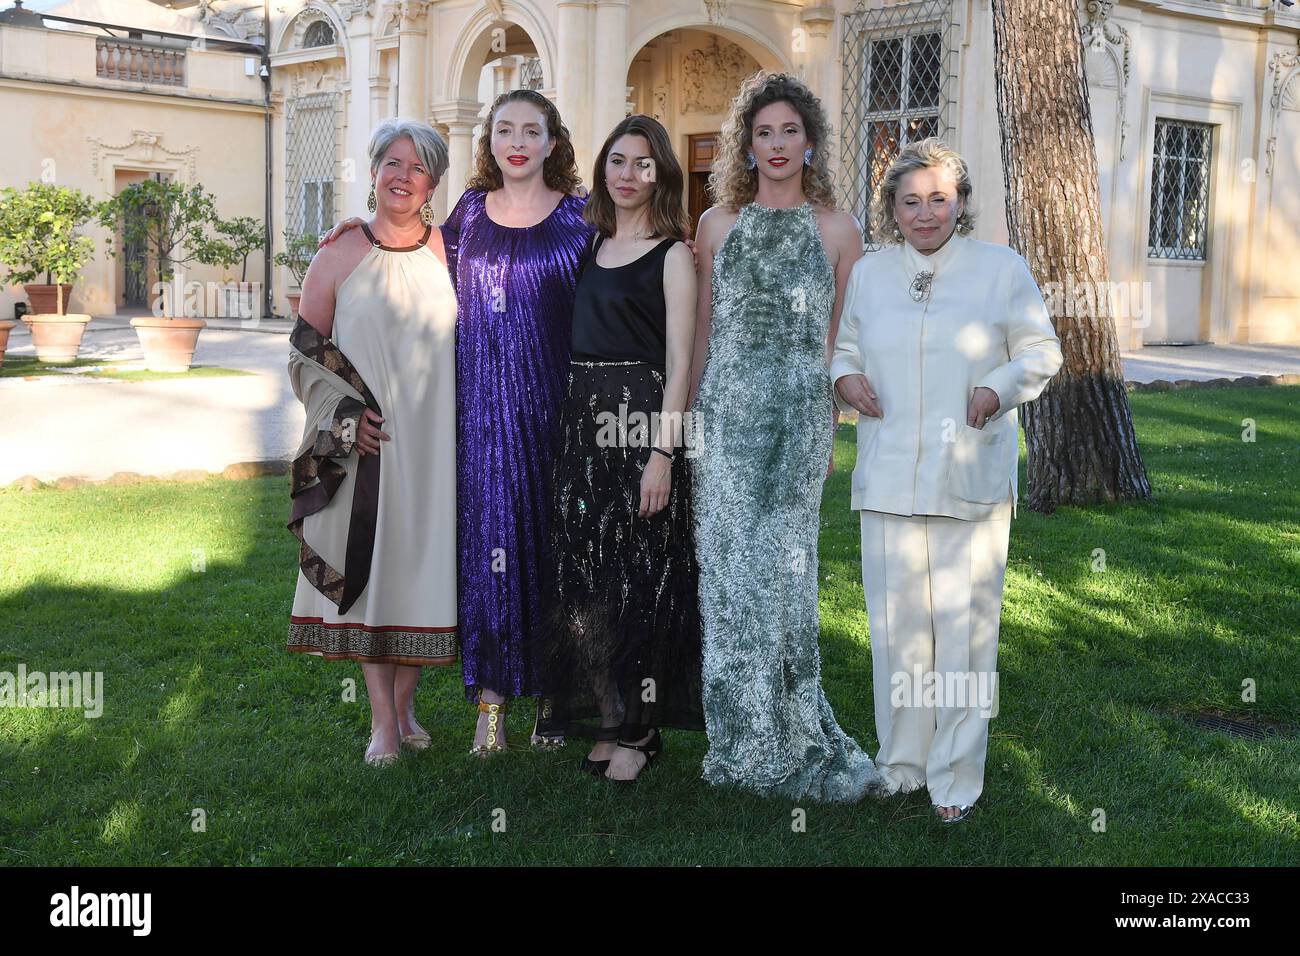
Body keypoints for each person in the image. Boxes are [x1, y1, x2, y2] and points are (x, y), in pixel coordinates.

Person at [830, 137, 1062, 823]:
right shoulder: (872, 275)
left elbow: (1041, 350)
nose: (925, 213)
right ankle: (902, 765)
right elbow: (845, 347)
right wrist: (844, 378)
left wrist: (996, 387)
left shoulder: (999, 268)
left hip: (970, 480)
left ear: (959, 202)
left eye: (938, 199)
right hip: (889, 479)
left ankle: (955, 780)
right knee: (898, 630)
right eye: (910, 202)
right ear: (891, 209)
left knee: (962, 635)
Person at [688, 71, 886, 802]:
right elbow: (705, 330)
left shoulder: (838, 229)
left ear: (811, 144)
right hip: (726, 422)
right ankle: (738, 744)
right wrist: (686, 419)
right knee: (729, 583)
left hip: (797, 424)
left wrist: (832, 425)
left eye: (789, 132)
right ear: (746, 144)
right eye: (763, 132)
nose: (776, 145)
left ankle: (797, 729)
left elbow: (843, 344)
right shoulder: (717, 225)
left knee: (785, 581)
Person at [286, 119, 457, 767]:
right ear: (374, 169)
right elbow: (305, 352)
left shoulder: (453, 250)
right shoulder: (338, 253)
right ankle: (383, 724)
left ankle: (408, 706)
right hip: (365, 446)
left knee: (422, 574)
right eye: (391, 162)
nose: (402, 177)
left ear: (433, 182)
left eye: (417, 168)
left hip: (438, 448)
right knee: (373, 580)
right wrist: (343, 419)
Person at [543, 115, 703, 782]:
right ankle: (609, 717)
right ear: (603, 169)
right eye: (618, 161)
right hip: (580, 427)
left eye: (643, 162)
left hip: (642, 426)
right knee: (588, 579)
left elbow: (682, 361)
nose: (629, 174)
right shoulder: (585, 246)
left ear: (660, 172)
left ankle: (642, 731)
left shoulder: (673, 255)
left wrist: (663, 454)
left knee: (642, 579)